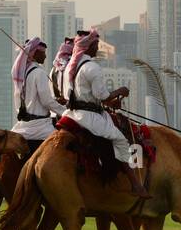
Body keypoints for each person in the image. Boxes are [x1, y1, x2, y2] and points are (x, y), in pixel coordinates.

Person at [59, 29, 149, 198]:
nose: (98, 48)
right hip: (88, 117)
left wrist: (111, 101)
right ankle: (136, 185)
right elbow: (102, 96)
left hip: (72, 113)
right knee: (121, 140)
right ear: (89, 46)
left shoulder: (70, 67)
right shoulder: (92, 67)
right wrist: (120, 91)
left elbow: (90, 97)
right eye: (96, 45)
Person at [9, 37, 60, 144]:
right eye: (43, 53)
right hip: (41, 128)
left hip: (22, 125)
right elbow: (46, 101)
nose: (45, 56)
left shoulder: (22, 73)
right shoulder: (39, 73)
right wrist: (65, 112)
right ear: (35, 53)